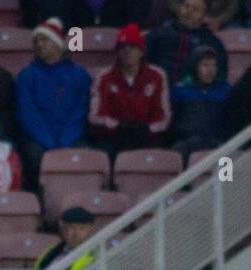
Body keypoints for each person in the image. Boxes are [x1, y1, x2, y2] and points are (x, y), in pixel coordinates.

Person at [15, 17, 92, 191]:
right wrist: (50, 143)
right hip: (39, 139)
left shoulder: (79, 75)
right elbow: (28, 113)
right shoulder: (27, 75)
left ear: (57, 43)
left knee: (86, 156)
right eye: (36, 41)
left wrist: (64, 141)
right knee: (34, 156)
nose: (39, 45)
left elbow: (80, 112)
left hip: (71, 137)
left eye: (44, 40)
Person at [88, 23, 171, 154]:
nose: (127, 51)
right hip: (113, 137)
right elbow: (95, 115)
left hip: (147, 137)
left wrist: (147, 129)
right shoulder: (104, 77)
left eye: (133, 47)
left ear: (142, 51)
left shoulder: (157, 76)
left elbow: (164, 117)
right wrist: (119, 127)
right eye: (122, 47)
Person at [146, 0, 228, 86]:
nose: (189, 12)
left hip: (193, 95)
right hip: (157, 90)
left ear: (204, 17)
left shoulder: (211, 42)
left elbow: (220, 77)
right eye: (186, 6)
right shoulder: (159, 33)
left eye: (195, 10)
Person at [169, 45, 229, 161]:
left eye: (213, 65)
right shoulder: (180, 89)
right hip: (188, 145)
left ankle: (226, 180)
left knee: (229, 155)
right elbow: (174, 122)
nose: (210, 70)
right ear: (194, 66)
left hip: (218, 143)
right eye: (205, 65)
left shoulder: (225, 89)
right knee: (176, 152)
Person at [35, 204, 96, 270]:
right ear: (63, 229)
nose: (76, 233)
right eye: (71, 227)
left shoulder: (96, 255)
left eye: (82, 228)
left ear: (91, 230)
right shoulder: (52, 251)